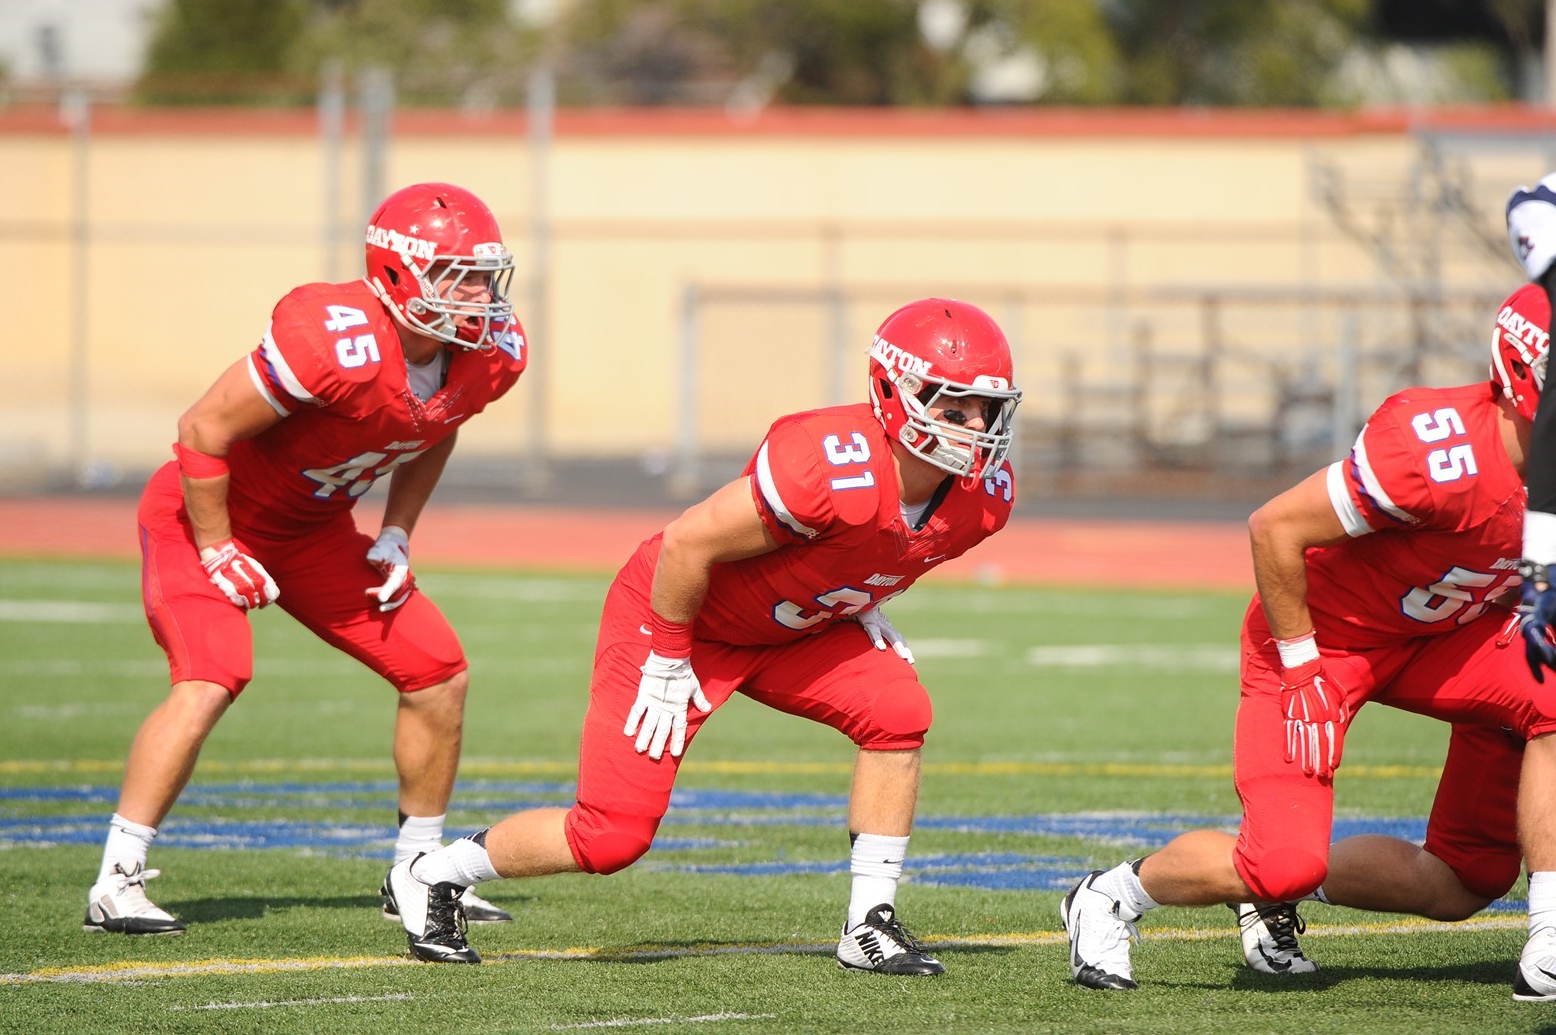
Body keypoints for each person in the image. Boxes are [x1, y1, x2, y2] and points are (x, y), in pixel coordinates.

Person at [377, 297, 1021, 971]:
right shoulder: (826, 464)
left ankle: (869, 924)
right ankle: (432, 872)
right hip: (682, 618)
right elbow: (686, 546)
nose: (975, 426)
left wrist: (864, 597)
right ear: (896, 392)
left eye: (986, 408)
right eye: (954, 405)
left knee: (897, 708)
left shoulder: (984, 497)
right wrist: (664, 654)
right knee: (610, 837)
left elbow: (891, 545)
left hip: (793, 626)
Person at [1060, 283, 1556, 1002]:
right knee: (1278, 862)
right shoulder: (1436, 447)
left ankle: (1548, 934)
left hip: (1445, 634)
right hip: (1324, 643)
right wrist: (1301, 666)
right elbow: (1275, 527)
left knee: (1466, 879)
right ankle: (1109, 895)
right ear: (1520, 375)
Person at [84, 182, 526, 935]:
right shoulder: (333, 336)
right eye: (457, 274)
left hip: (312, 528)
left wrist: (398, 528)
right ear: (396, 273)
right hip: (205, 514)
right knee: (212, 676)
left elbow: (441, 422)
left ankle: (416, 872)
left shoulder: (484, 354)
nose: (478, 293)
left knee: (436, 671)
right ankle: (115, 880)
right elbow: (200, 430)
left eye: (484, 274)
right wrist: (219, 546)